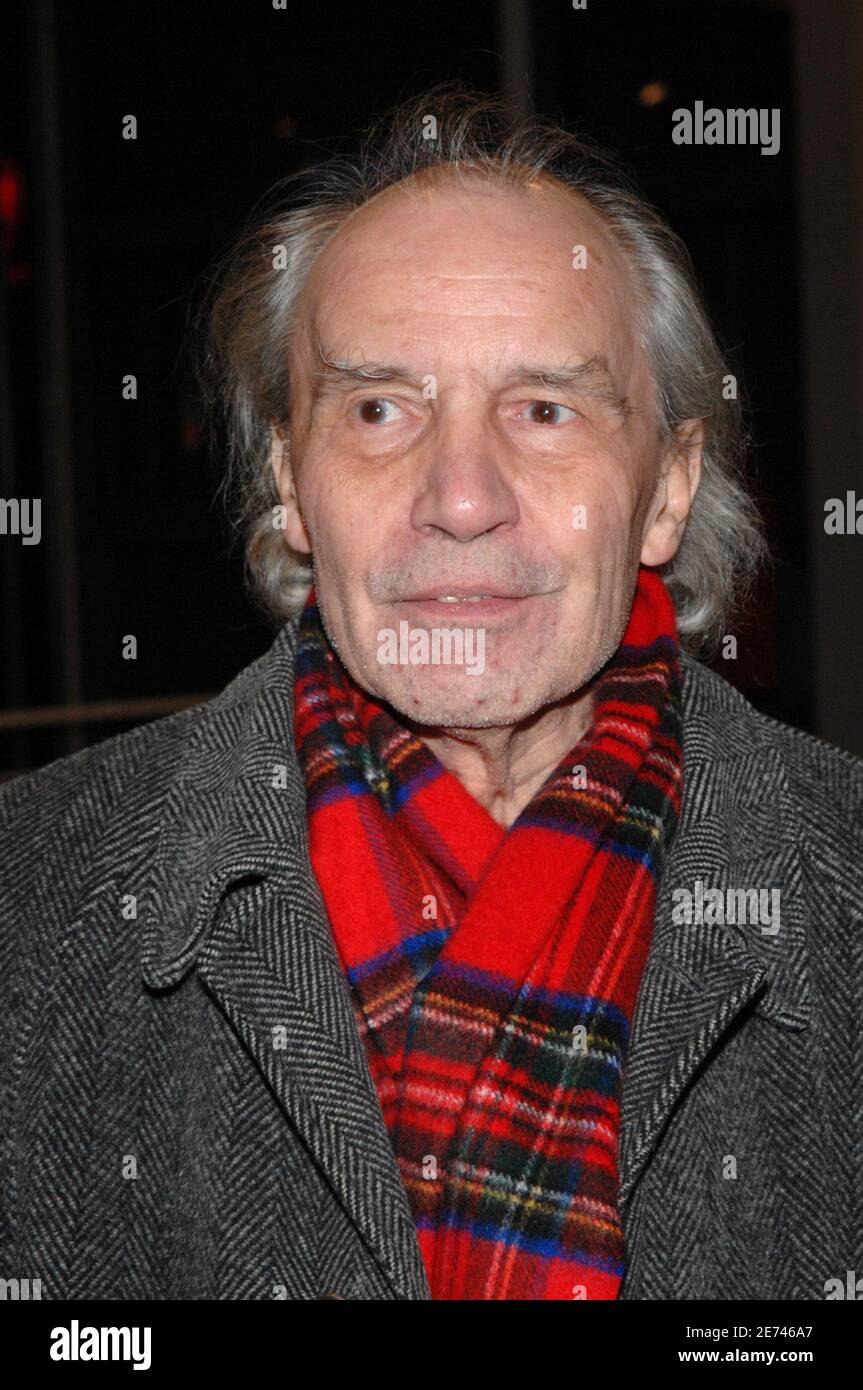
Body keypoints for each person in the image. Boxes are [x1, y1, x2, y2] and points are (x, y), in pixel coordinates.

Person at [1, 84, 860, 1302]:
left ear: (666, 491)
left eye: (544, 408)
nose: (461, 496)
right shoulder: (30, 901)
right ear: (291, 480)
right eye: (378, 409)